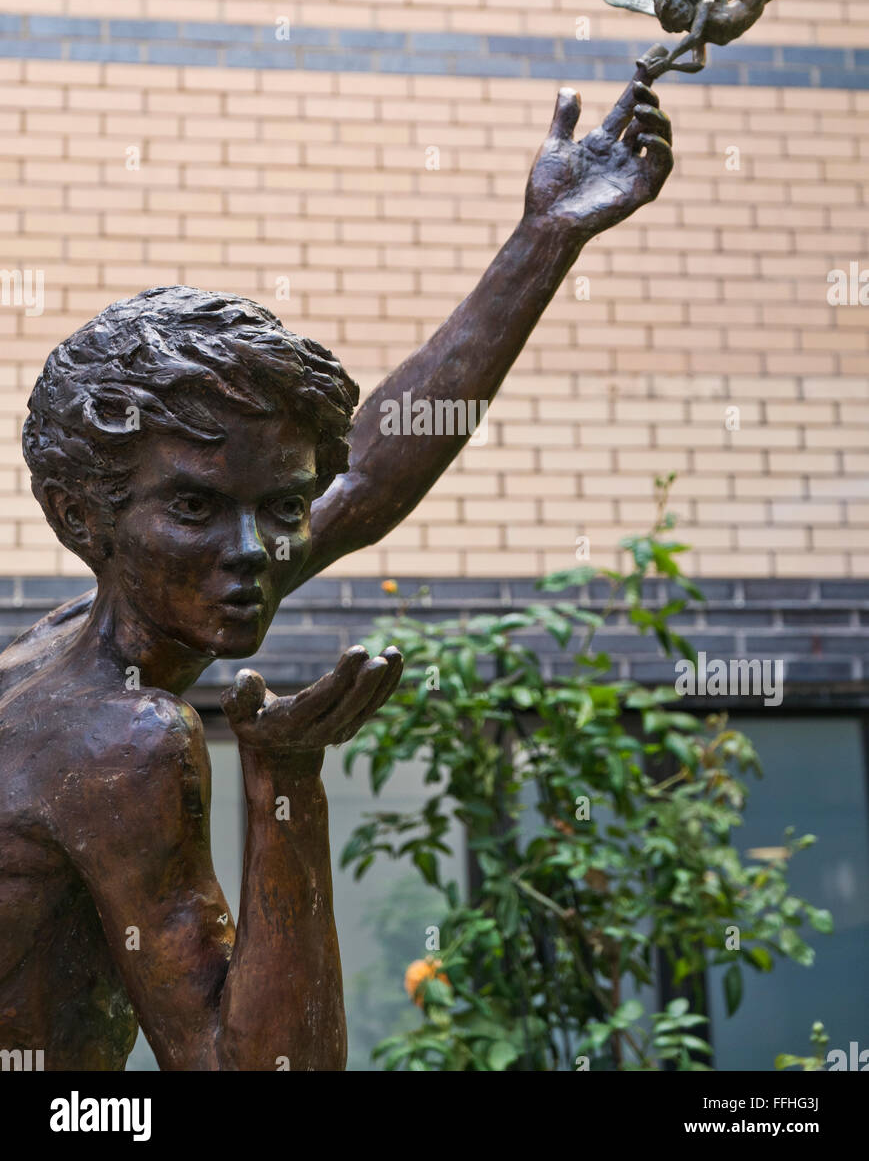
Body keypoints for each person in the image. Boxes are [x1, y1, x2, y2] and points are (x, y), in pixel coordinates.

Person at [0, 79, 673, 1070]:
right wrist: (287, 784)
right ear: (77, 517)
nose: (255, 547)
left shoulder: (73, 638)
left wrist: (548, 233)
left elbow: (361, 474)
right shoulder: (124, 741)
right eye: (192, 506)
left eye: (279, 506)